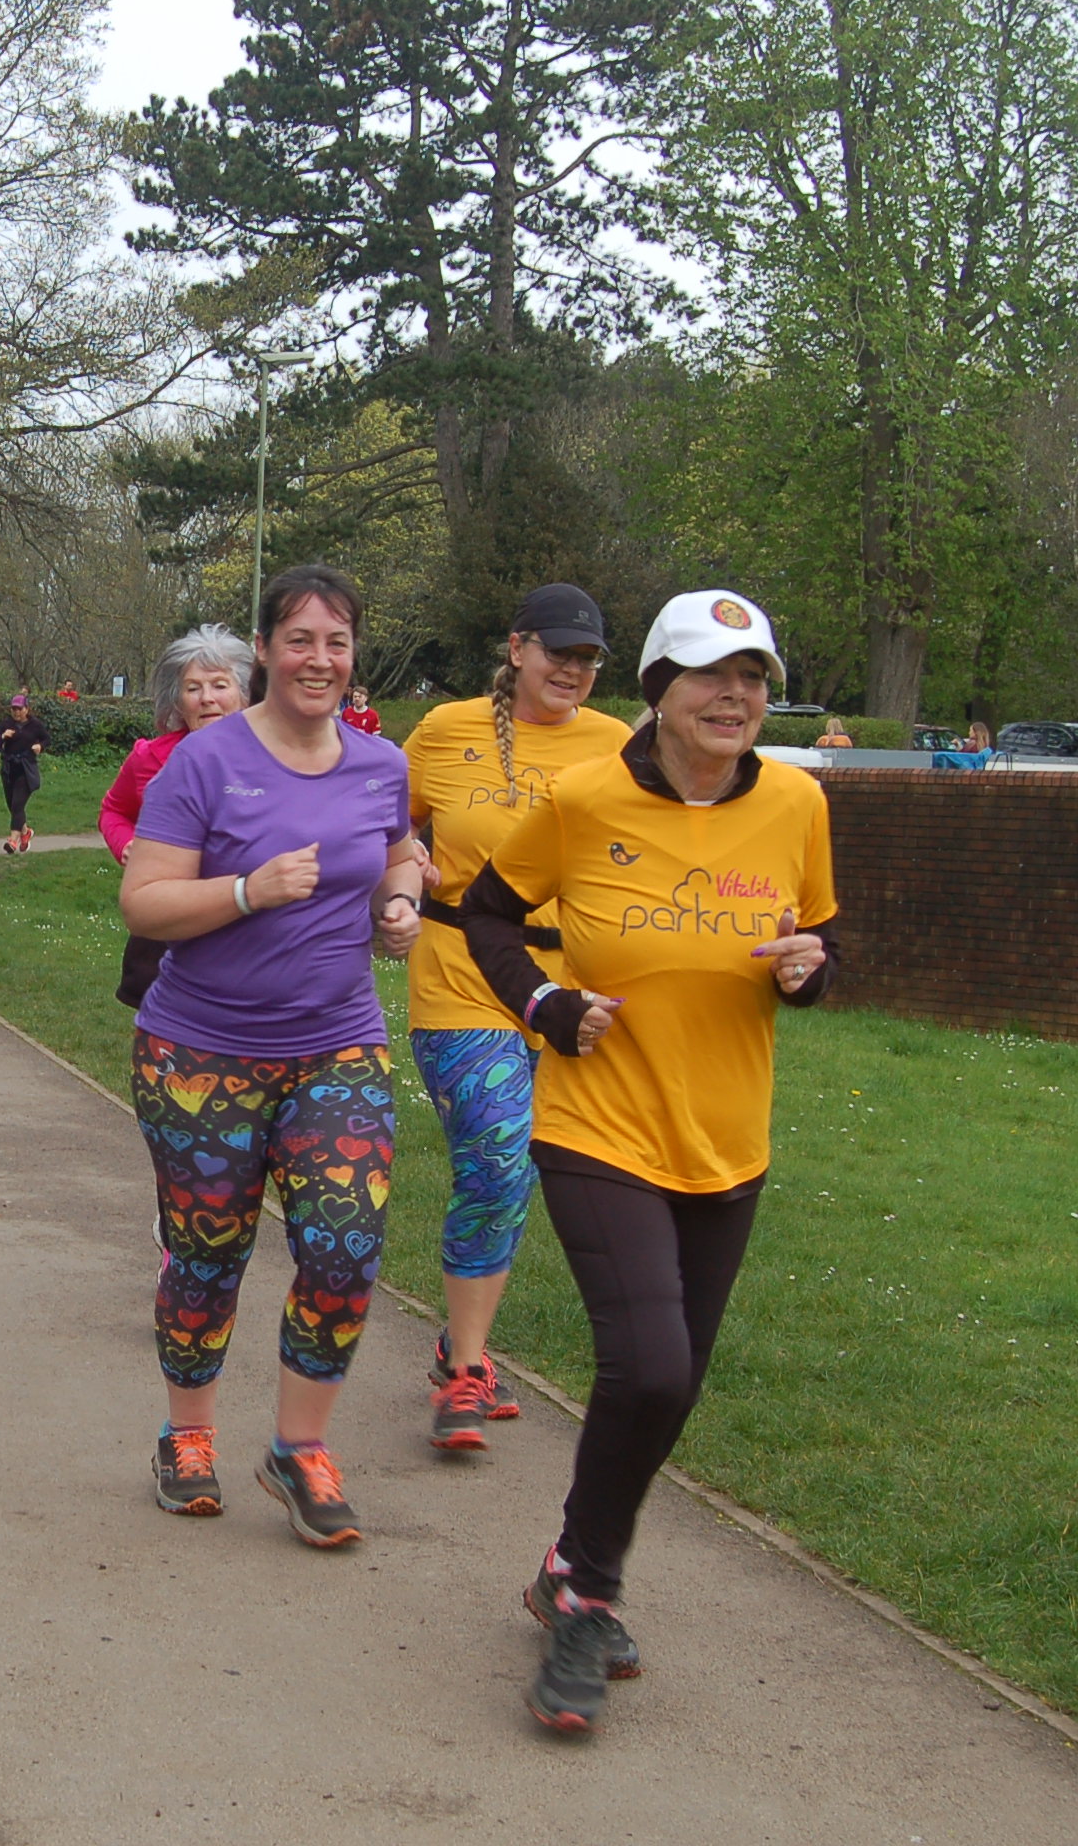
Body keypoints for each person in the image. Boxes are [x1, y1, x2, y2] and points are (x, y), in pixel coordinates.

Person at [455, 587, 838, 1734]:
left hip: (725, 1142)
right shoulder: (583, 798)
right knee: (653, 1366)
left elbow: (817, 940)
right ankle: (589, 1593)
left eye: (753, 677)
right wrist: (542, 1003)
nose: (736, 695)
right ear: (660, 689)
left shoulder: (797, 801)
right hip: (596, 1124)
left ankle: (568, 1564)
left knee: (670, 1381)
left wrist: (809, 971)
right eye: (713, 673)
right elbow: (485, 914)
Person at [118, 566, 424, 1547]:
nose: (319, 660)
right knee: (208, 1253)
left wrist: (398, 902)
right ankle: (187, 1434)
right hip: (200, 1051)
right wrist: (247, 890)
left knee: (343, 1244)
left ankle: (299, 1447)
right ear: (263, 650)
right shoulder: (204, 762)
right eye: (299, 640)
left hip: (337, 1043)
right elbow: (144, 901)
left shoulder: (379, 764)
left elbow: (398, 851)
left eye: (337, 642)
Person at [400, 584, 629, 1451]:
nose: (572, 669)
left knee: (528, 1168)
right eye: (558, 652)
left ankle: (459, 1340)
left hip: (574, 993)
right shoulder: (446, 730)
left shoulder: (616, 744)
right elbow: (383, 816)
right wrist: (405, 856)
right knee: (497, 1156)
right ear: (517, 647)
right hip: (462, 974)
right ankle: (468, 1370)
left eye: (588, 659)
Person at [100, 627, 252, 1007]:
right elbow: (113, 809)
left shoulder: (273, 757)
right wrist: (126, 845)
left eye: (220, 685)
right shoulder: (150, 758)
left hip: (245, 931)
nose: (207, 698)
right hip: (165, 934)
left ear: (246, 693)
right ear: (178, 701)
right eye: (193, 688)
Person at [0, 692, 50, 851]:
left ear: (26, 709)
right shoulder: (6, 724)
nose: (16, 712)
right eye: (14, 709)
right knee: (12, 806)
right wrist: (3, 736)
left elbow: (47, 739)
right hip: (9, 769)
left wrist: (40, 746)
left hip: (26, 769)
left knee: (18, 804)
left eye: (19, 709)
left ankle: (13, 840)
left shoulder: (35, 725)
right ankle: (25, 832)